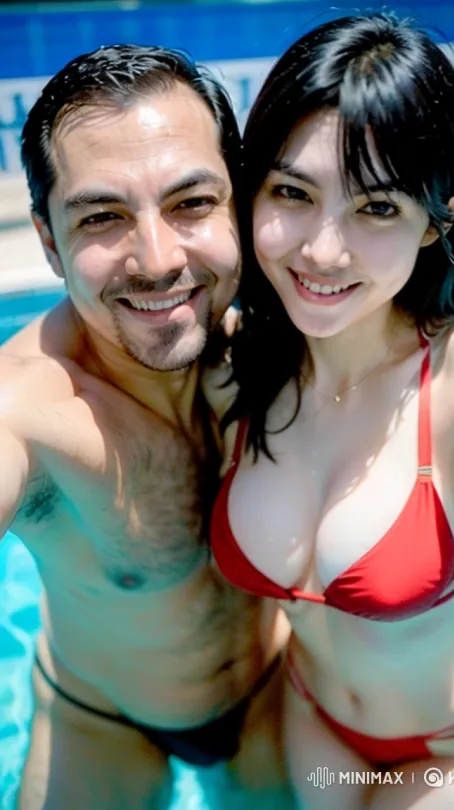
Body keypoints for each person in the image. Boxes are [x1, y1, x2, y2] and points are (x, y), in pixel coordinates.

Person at [209, 12, 454, 810]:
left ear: (439, 219)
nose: (324, 251)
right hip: (316, 720)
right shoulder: (233, 365)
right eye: (293, 192)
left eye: (378, 208)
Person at [0, 45, 289, 810]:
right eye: (102, 216)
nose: (158, 261)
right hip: (101, 725)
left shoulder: (293, 345)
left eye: (192, 203)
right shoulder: (26, 416)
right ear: (49, 240)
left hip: (272, 696)